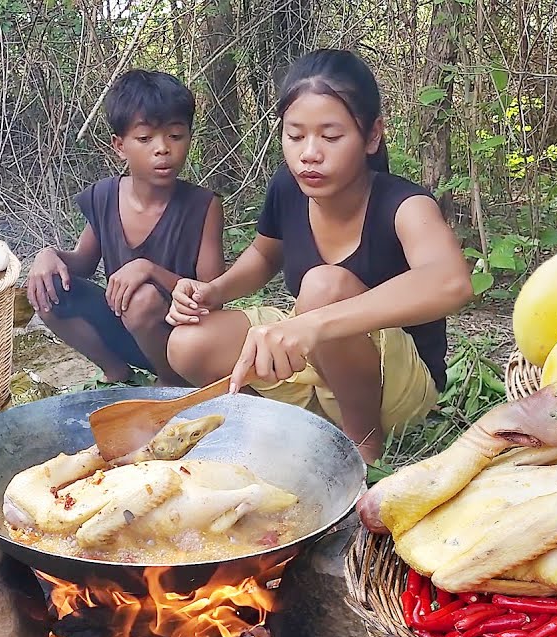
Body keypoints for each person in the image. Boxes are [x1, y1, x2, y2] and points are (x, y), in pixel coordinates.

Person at [165, 49, 474, 464]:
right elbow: (263, 254)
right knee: (189, 343)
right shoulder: (288, 188)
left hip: (396, 387)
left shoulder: (403, 204)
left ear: (372, 136)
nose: (309, 153)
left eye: (330, 137)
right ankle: (278, 431)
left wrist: (312, 324)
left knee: (324, 285)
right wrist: (213, 291)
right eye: (295, 136)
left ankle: (362, 448)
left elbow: (450, 282)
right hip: (314, 365)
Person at [26, 69, 225, 386]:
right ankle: (116, 371)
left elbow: (213, 295)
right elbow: (83, 262)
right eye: (145, 139)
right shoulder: (105, 196)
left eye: (175, 136)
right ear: (120, 146)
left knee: (142, 298)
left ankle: (172, 382)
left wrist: (150, 270)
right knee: (48, 291)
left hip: (182, 339)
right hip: (124, 328)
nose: (162, 149)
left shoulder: (202, 206)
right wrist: (49, 255)